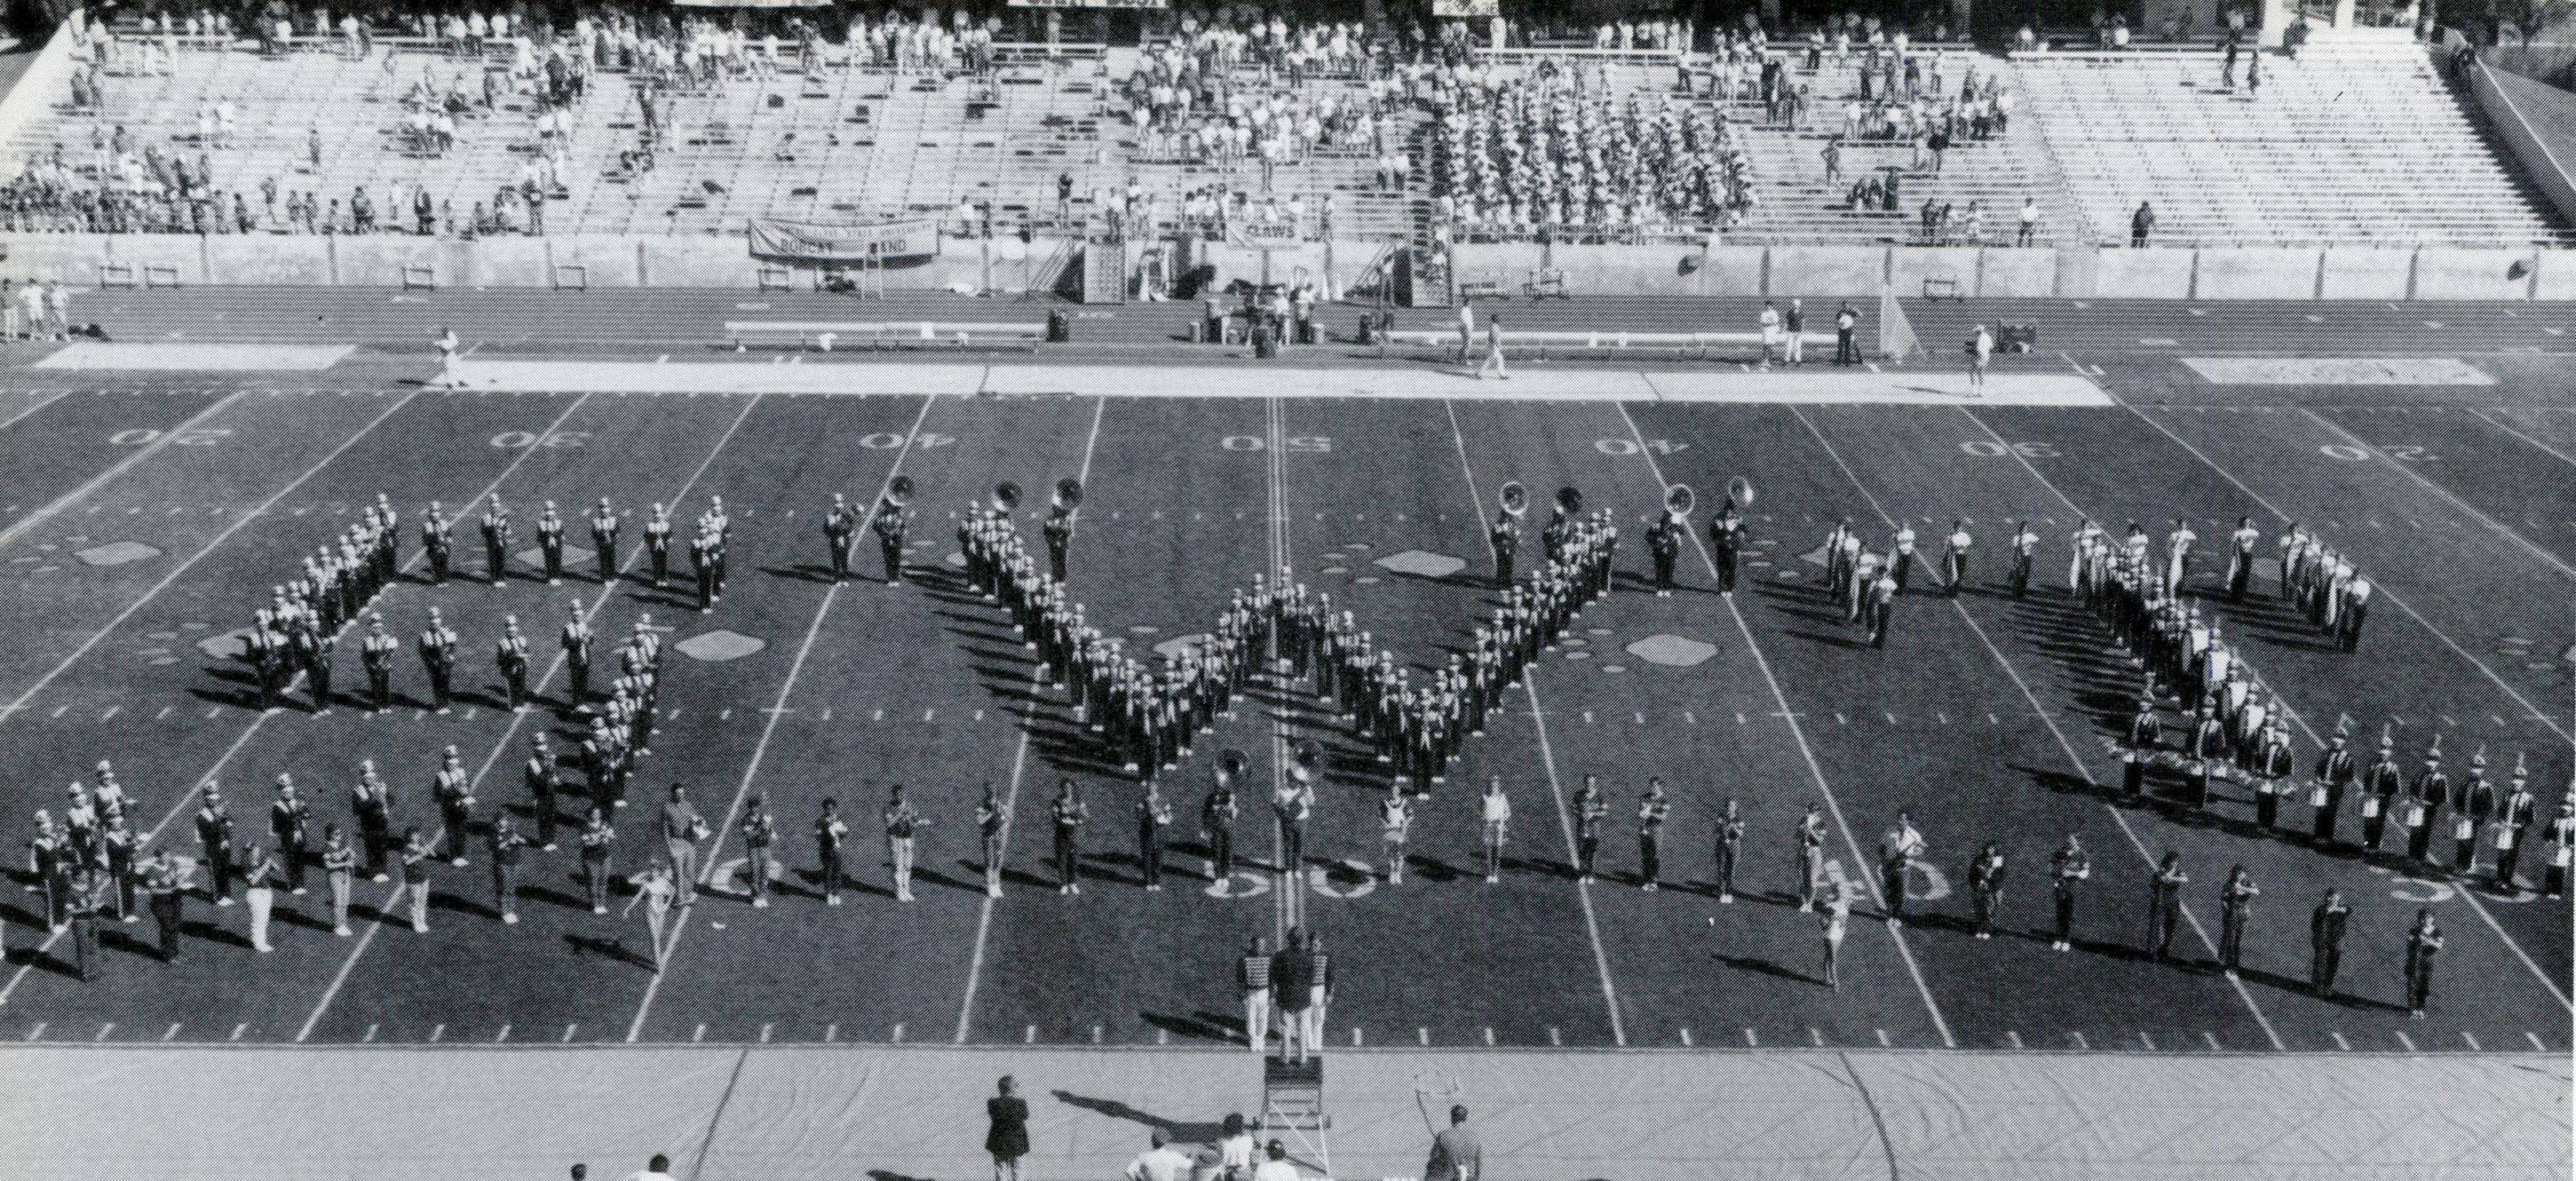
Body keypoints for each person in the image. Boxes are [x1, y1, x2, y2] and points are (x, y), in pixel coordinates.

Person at [622, 859, 676, 972]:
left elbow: (672, 891)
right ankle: (659, 964)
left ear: (659, 872)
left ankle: (657, 960)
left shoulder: (664, 882)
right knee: (655, 939)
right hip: (650, 913)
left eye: (655, 871)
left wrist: (667, 905)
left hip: (661, 912)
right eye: (651, 871)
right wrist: (628, 909)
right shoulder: (647, 885)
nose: (653, 873)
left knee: (659, 937)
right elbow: (637, 897)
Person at [661, 783, 706, 906]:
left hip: (689, 841)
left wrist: (700, 822)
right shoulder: (667, 808)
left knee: (690, 871)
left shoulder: (688, 805)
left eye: (682, 793)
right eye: (678, 793)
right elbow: (664, 829)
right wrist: (669, 847)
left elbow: (696, 818)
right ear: (673, 794)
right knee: (678, 872)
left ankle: (686, 894)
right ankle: (678, 898)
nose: (681, 795)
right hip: (676, 841)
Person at [986, 1075, 1032, 1181]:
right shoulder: (1020, 1103)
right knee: (1017, 1169)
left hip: (998, 1141)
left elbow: (992, 1114)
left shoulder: (992, 1103)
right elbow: (1025, 1116)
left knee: (1000, 1169)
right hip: (1017, 1142)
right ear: (1012, 1088)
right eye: (1016, 1085)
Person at [2308, 887, 2350, 998]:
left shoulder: (2341, 909)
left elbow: (2348, 910)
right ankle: (2318, 984)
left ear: (2338, 897)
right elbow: (2317, 921)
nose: (2330, 899)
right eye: (2329, 896)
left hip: (2336, 941)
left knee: (2333, 964)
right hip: (2323, 940)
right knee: (2321, 963)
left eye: (2333, 896)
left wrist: (2335, 909)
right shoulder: (2321, 910)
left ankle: (2327, 986)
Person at [2217, 865, 2257, 979]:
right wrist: (2226, 914)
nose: (2239, 876)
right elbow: (2223, 901)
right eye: (2237, 874)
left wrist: (2242, 889)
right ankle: (2229, 966)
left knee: (2237, 941)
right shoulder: (2229, 885)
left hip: (2242, 914)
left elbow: (2256, 891)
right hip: (2233, 913)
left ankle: (2234, 966)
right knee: (2231, 940)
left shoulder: (2247, 883)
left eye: (2241, 873)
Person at [1423, 1104, 1482, 1181]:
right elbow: (1478, 1166)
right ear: (1465, 1118)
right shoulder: (1475, 1138)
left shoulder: (1443, 1136)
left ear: (1452, 1118)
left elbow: (1434, 1162)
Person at [2146, 852, 2186, 963]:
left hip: (2173, 904)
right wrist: (2162, 878)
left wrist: (2172, 878)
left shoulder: (2178, 873)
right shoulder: (2161, 871)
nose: (2174, 864)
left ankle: (2164, 949)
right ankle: (2153, 951)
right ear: (2167, 861)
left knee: (2171, 927)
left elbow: (2185, 879)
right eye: (2172, 861)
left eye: (2176, 862)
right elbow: (2153, 884)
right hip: (2161, 902)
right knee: (2157, 927)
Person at [2403, 908, 2441, 1019]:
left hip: (2427, 961)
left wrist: (2425, 940)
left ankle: (2420, 1007)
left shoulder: (2437, 931)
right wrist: (2422, 941)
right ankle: (2412, 1008)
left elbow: (2438, 946)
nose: (2425, 920)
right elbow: (2410, 944)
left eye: (2428, 918)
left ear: (2432, 918)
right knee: (2412, 985)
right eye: (2423, 918)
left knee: (2424, 985)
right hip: (2415, 960)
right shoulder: (2414, 930)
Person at [1240, 934, 1273, 1056]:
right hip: (1251, 993)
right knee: (1251, 1018)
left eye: (1262, 945)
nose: (1260, 947)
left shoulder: (1269, 958)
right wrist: (1243, 995)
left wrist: (1272, 995)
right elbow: (1241, 980)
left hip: (1264, 992)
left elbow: (1272, 978)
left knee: (1263, 1018)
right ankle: (1253, 1040)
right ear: (1253, 945)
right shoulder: (1244, 959)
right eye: (1258, 945)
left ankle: (1261, 1039)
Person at [399, 827, 434, 933]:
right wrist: (419, 855)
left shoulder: (419, 846)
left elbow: (431, 854)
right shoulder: (406, 849)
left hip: (423, 877)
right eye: (413, 834)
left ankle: (422, 921)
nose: (416, 836)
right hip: (412, 879)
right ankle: (415, 923)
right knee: (414, 902)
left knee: (422, 901)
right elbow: (406, 862)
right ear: (409, 836)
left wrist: (426, 849)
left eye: (417, 834)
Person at [1125, 1128, 1193, 1181]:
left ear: (1152, 1140)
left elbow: (1129, 1172)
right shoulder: (1173, 1156)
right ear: (1165, 1142)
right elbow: (1190, 1165)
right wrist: (1188, 1158)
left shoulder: (1144, 1156)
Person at [1968, 842, 2005, 939]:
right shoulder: (1979, 860)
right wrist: (1977, 883)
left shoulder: (1998, 861)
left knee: (1989, 911)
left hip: (1991, 889)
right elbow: (1972, 874)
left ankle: (1987, 930)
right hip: (1980, 889)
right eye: (1988, 849)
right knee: (1979, 910)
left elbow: (2001, 875)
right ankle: (1979, 929)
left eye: (1991, 849)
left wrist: (1990, 882)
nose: (1989, 851)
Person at [1478, 777, 1510, 884]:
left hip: (1499, 828)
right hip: (1488, 827)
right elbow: (1479, 811)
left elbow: (1508, 812)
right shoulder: (1484, 798)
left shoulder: (1502, 798)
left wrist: (1501, 820)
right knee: (1488, 851)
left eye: (1496, 787)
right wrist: (1484, 818)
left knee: (1496, 851)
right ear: (1489, 788)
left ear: (1498, 788)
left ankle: (1495, 874)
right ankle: (1489, 873)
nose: (1494, 789)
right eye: (1492, 787)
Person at [1474, 314, 1508, 381]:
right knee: (1492, 359)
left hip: (1492, 345)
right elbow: (1494, 337)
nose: (1499, 319)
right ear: (1495, 319)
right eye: (1497, 318)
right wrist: (1498, 345)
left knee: (1498, 358)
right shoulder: (1494, 327)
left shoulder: (1494, 326)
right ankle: (1479, 373)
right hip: (1493, 346)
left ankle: (1501, 374)